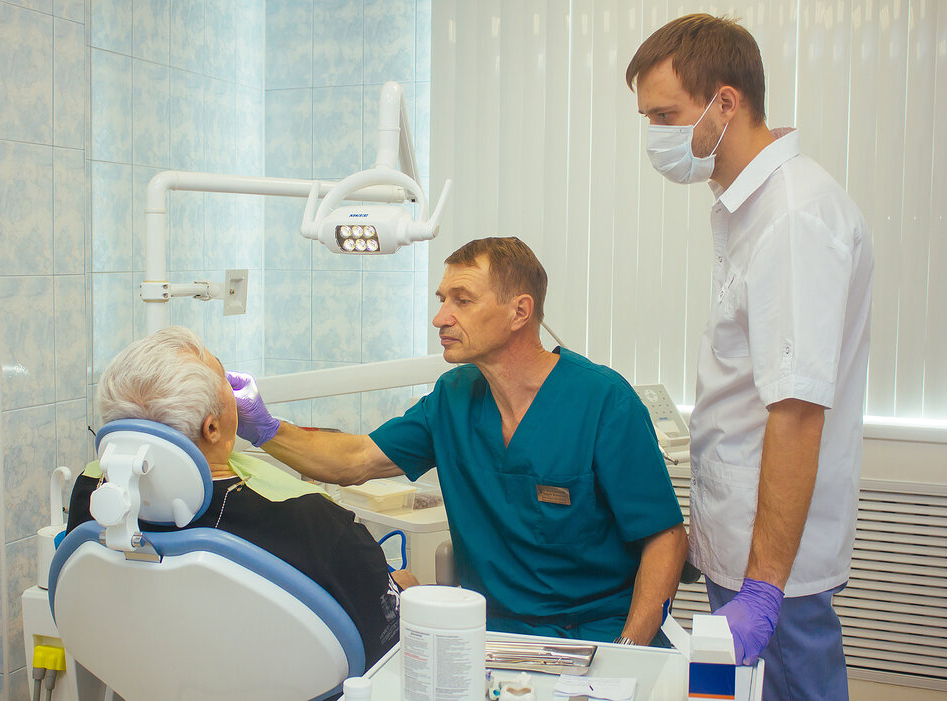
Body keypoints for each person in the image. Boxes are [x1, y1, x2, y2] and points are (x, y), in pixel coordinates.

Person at [229, 236, 688, 646]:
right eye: (441, 298)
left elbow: (665, 538)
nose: (439, 317)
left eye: (461, 300)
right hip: (491, 636)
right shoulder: (454, 397)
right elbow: (354, 460)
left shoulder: (603, 401)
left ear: (519, 312)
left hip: (598, 634)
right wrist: (264, 427)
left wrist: (629, 652)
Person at [625, 13, 874, 700]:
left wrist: (764, 588)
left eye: (667, 115)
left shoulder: (795, 216)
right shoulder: (748, 209)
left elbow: (795, 410)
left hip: (774, 569)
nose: (656, 137)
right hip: (742, 544)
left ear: (725, 102)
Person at [66, 326, 416, 668]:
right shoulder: (309, 520)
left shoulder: (91, 493)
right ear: (212, 427)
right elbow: (386, 643)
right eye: (224, 383)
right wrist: (403, 589)